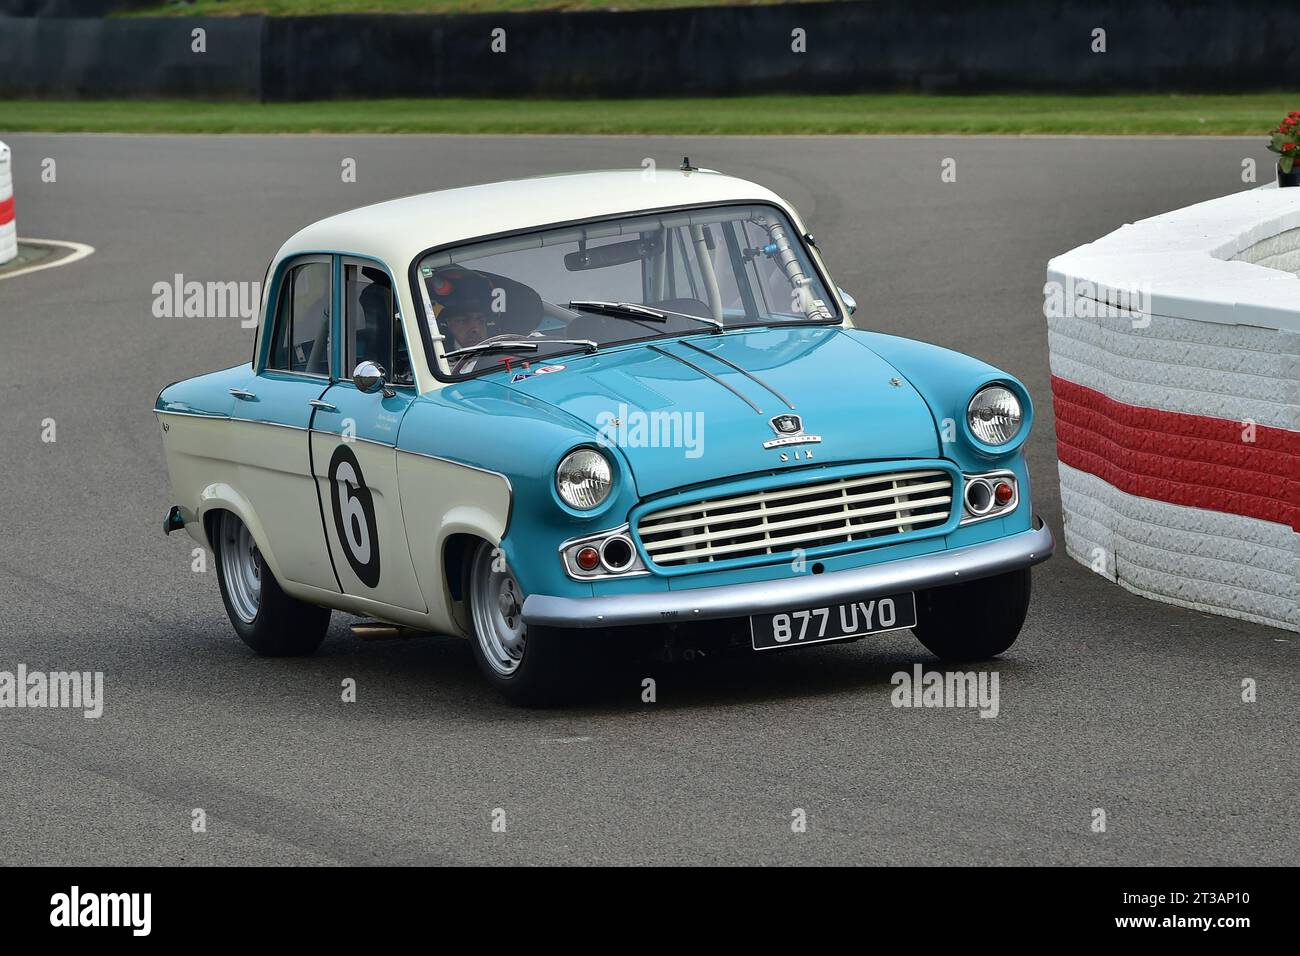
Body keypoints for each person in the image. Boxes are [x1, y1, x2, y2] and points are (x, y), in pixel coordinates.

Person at [428, 267, 494, 351]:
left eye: (481, 320)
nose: (475, 329)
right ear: (445, 325)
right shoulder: (432, 358)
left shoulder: (506, 354)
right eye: (462, 321)